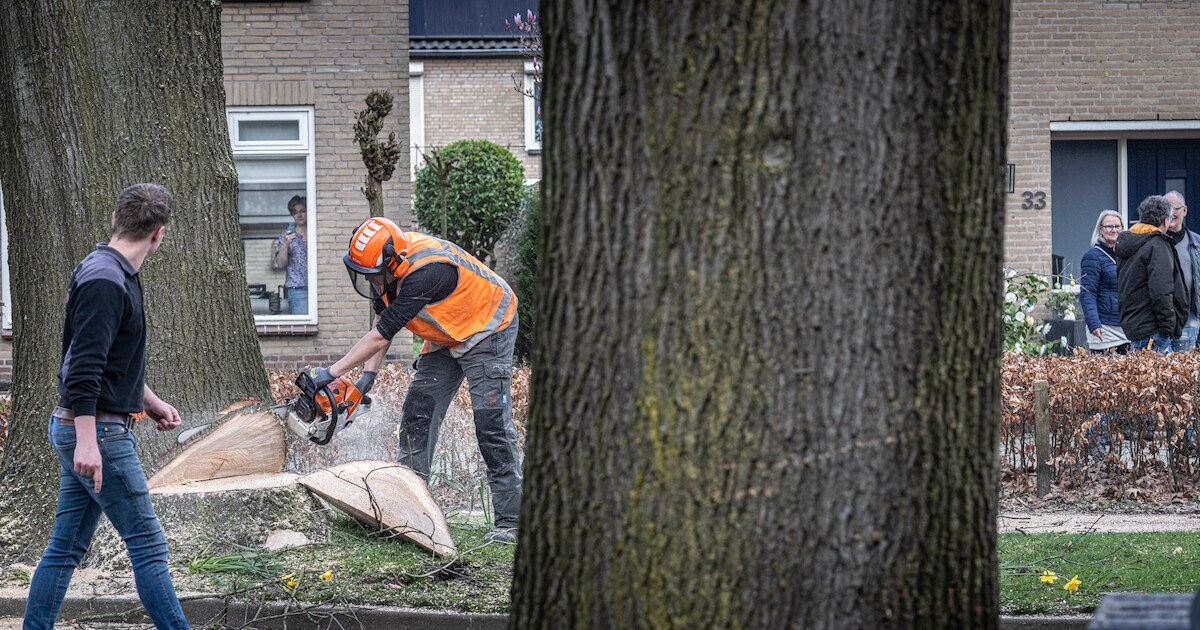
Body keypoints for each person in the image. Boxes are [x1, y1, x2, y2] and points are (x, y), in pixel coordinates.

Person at [24, 184, 189, 630]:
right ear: (159, 234)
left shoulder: (110, 270)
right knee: (149, 546)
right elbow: (81, 369)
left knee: (65, 547)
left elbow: (110, 356)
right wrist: (87, 443)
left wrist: (149, 401)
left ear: (115, 217)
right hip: (96, 434)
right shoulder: (105, 279)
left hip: (92, 428)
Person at [307, 217, 521, 543]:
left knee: (490, 423)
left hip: (489, 328)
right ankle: (408, 508)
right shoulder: (388, 271)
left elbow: (380, 336)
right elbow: (382, 317)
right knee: (418, 410)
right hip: (449, 334)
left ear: (392, 261)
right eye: (366, 276)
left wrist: (330, 374)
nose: (373, 282)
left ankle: (512, 522)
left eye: (375, 276)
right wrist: (367, 378)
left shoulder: (426, 273)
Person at [1115, 195, 1188, 353]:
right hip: (1154, 330)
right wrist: (1168, 327)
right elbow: (1161, 291)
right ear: (1165, 221)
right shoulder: (1157, 244)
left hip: (1136, 325)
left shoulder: (1129, 243)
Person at [1080, 210, 1129, 354]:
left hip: (1127, 326)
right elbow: (1087, 293)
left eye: (1117, 226)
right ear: (1100, 230)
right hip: (1105, 330)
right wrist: (1094, 324)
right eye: (1109, 226)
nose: (1114, 230)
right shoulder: (1092, 256)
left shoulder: (1127, 255)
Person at [1166, 190, 1200, 351]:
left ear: (1185, 210)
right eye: (1166, 209)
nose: (1170, 213)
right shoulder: (1152, 242)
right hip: (1159, 316)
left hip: (1188, 315)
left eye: (1175, 209)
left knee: (1183, 367)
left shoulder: (1197, 243)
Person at [272, 195, 308, 315]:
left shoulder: (315, 231)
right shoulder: (287, 235)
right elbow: (281, 264)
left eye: (302, 211)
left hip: (319, 285)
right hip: (297, 289)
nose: (299, 215)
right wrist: (285, 244)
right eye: (295, 212)